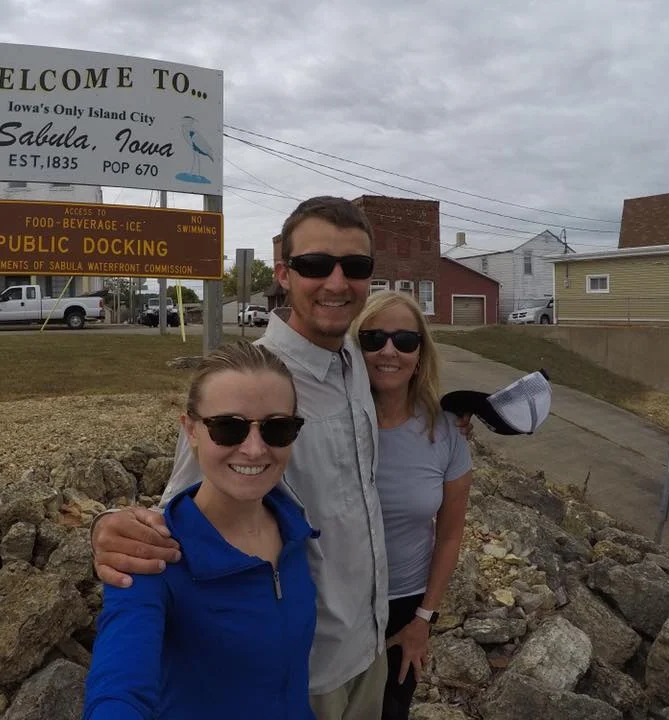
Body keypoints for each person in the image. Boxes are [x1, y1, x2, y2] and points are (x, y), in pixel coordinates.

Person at [91, 196, 471, 719]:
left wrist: (455, 415)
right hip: (301, 674)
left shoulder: (354, 363)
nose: (337, 283)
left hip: (369, 647)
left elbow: (403, 402)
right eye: (316, 265)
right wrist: (111, 529)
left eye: (355, 267)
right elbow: (177, 516)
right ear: (284, 273)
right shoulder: (250, 384)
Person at [84, 340, 318, 719]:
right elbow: (118, 687)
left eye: (278, 428)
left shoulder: (293, 531)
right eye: (228, 428)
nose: (255, 449)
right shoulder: (151, 556)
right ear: (190, 430)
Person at [350, 291, 473, 720]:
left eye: (404, 340)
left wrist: (424, 619)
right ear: (355, 347)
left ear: (420, 353)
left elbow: (451, 533)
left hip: (405, 605)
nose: (389, 351)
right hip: (334, 603)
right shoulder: (328, 422)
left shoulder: (447, 432)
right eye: (373, 339)